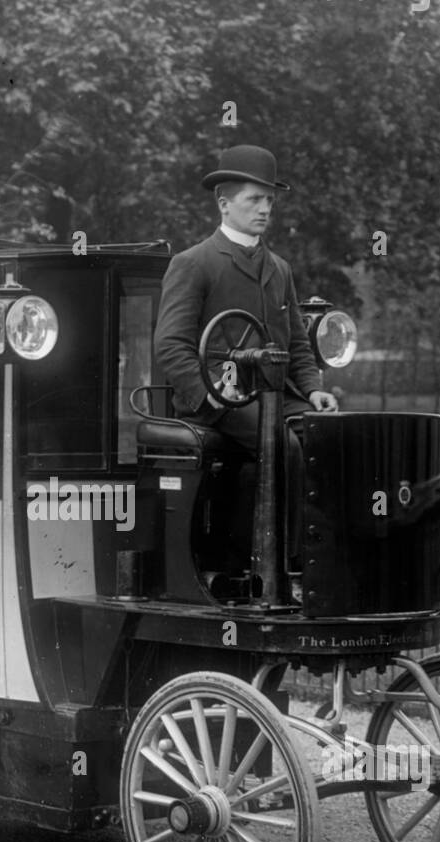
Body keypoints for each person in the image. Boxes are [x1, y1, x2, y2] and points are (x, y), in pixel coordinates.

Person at [154, 144, 338, 581]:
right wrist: (214, 394)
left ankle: (323, 560)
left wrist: (313, 390)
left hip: (273, 395)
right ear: (224, 204)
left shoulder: (279, 268)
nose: (265, 209)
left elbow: (295, 342)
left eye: (270, 200)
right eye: (254, 199)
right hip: (217, 401)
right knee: (282, 446)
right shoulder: (193, 264)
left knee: (333, 439)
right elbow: (171, 346)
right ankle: (281, 570)